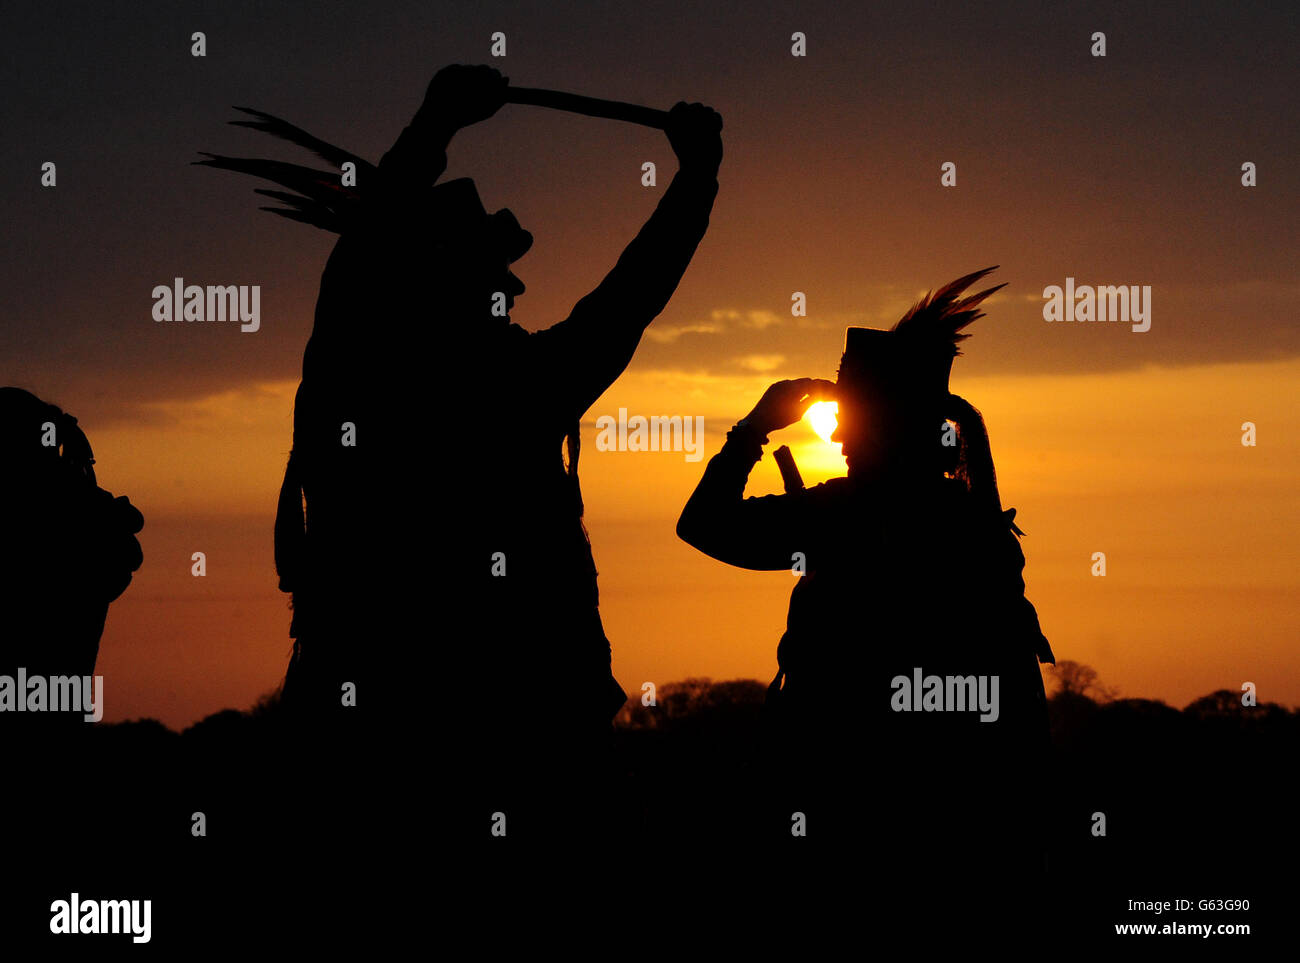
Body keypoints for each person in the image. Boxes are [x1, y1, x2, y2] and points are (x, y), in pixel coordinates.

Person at [201, 65, 723, 838]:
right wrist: (696, 181)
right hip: (508, 732)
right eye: (496, 281)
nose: (511, 295)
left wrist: (435, 125)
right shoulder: (500, 381)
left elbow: (360, 266)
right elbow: (629, 299)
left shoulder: (352, 377)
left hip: (396, 728)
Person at [677, 269, 1055, 903]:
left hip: (850, 819)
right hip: (961, 826)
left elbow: (704, 525)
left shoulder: (844, 515)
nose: (837, 436)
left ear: (884, 426)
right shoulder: (973, 525)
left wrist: (752, 429)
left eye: (851, 419)